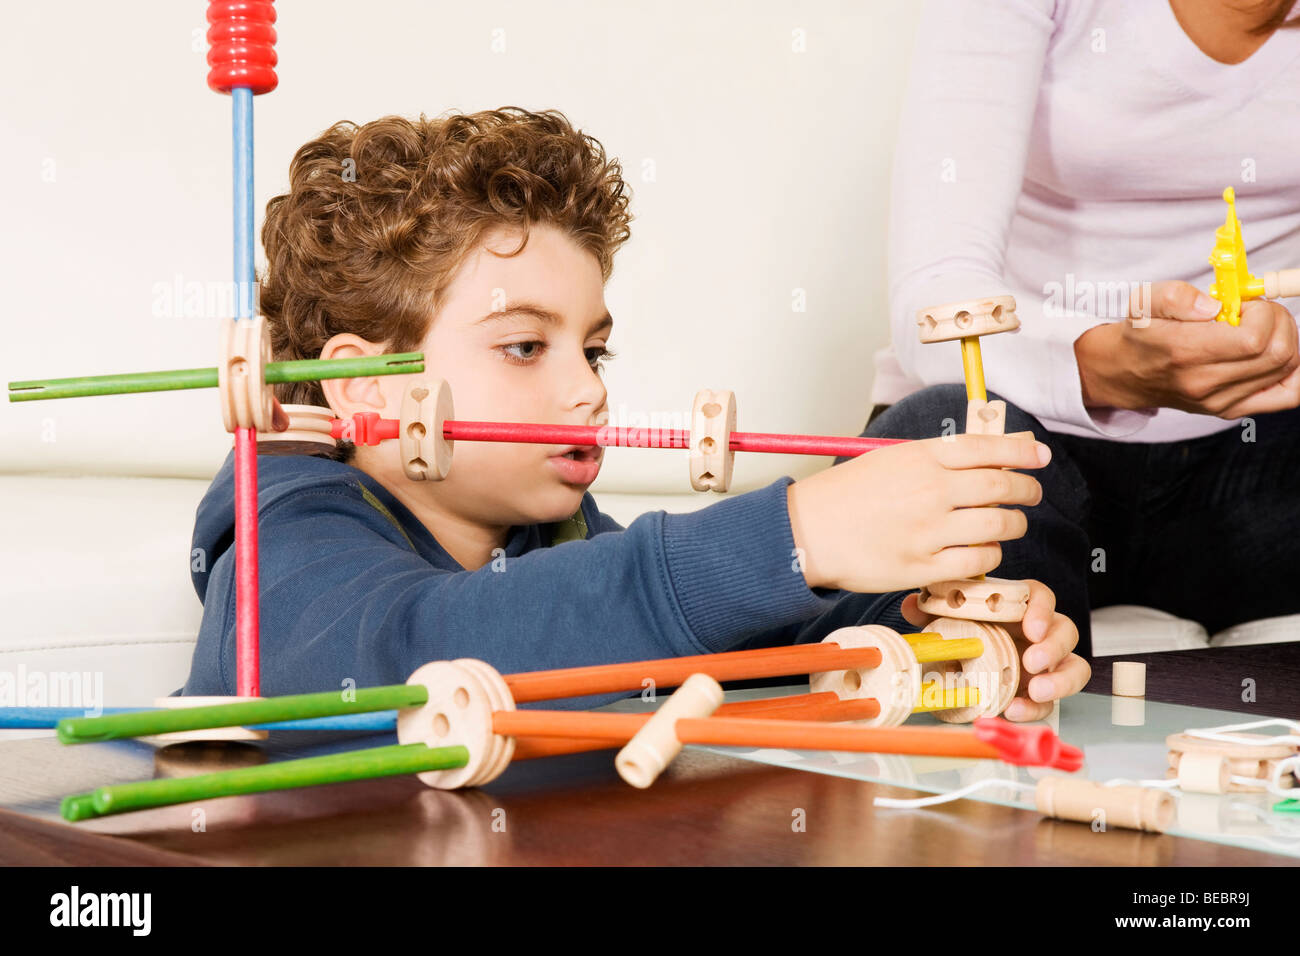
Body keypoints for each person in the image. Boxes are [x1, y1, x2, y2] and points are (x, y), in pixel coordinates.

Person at [182, 108, 1087, 717]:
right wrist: (795, 533)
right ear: (366, 388)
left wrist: (930, 641)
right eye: (526, 347)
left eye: (594, 348)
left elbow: (751, 643)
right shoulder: (282, 536)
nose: (589, 391)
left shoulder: (548, 534)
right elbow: (412, 655)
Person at [863, 0, 1300, 656]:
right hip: (1029, 439)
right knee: (942, 434)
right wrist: (1105, 368)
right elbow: (935, 299)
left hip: (1257, 466)